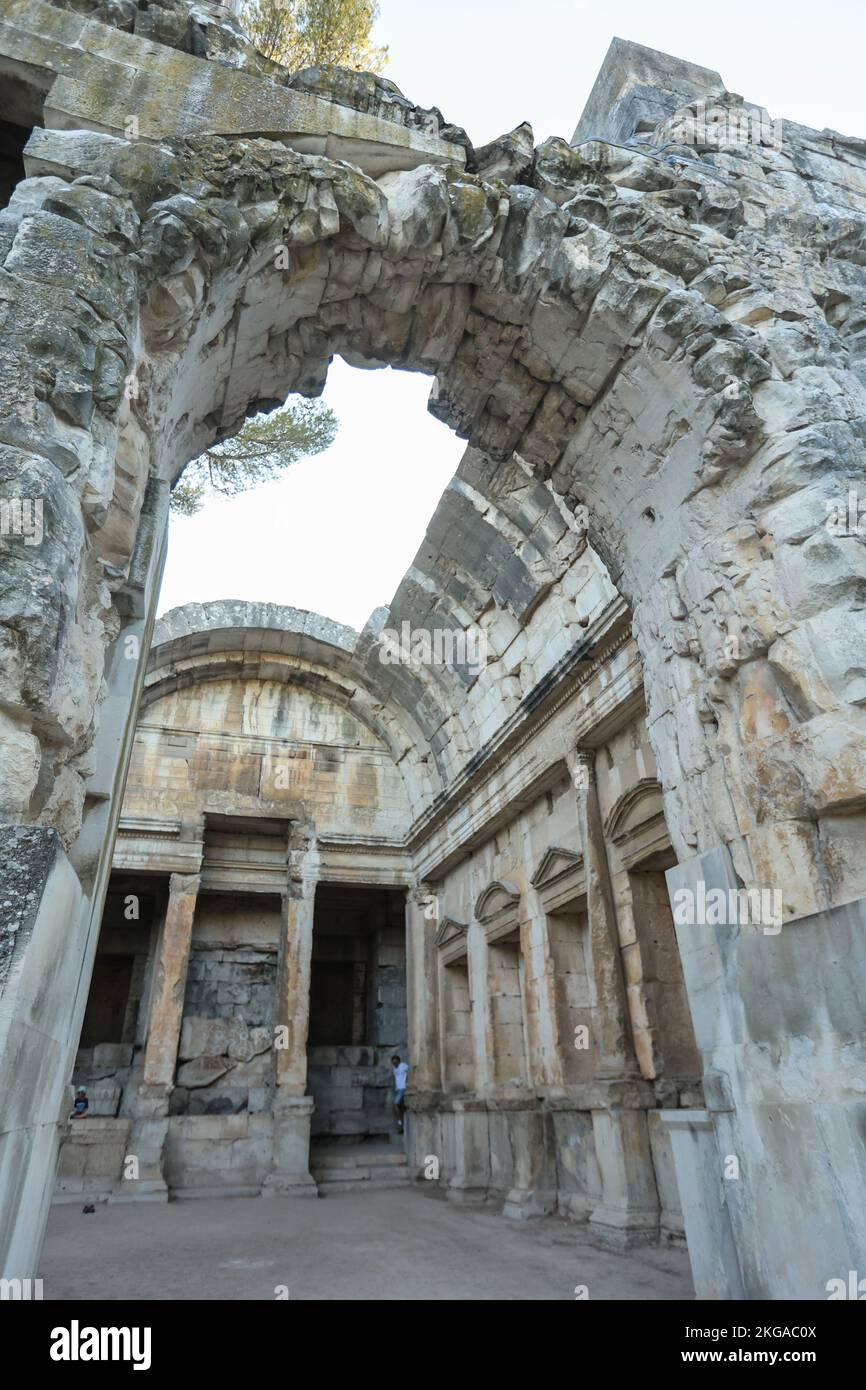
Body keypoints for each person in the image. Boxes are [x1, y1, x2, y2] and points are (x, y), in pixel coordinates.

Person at [391, 1054, 408, 1133]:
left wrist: (407, 1084)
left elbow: (410, 1072)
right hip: (398, 1089)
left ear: (399, 1061)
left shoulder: (403, 1065)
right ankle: (402, 1126)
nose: (395, 1064)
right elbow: (396, 1079)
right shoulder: (394, 1068)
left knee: (395, 1104)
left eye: (396, 1062)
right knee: (400, 1108)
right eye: (393, 1063)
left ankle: (399, 1122)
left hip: (403, 1088)